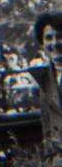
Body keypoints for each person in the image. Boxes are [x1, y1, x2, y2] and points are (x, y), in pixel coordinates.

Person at [28, 11, 62, 144]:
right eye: (48, 38)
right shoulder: (44, 78)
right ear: (42, 42)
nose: (54, 43)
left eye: (59, 37)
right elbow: (47, 127)